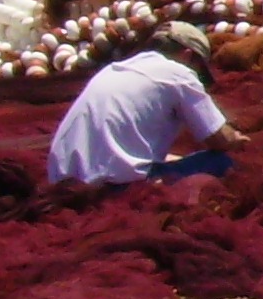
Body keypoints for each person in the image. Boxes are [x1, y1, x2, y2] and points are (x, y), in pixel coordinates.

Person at [47, 22, 239, 188]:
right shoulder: (179, 73)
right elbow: (220, 139)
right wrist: (236, 138)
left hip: (63, 182)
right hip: (117, 187)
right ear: (187, 55)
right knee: (220, 162)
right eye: (201, 71)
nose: (200, 78)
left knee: (172, 159)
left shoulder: (114, 70)